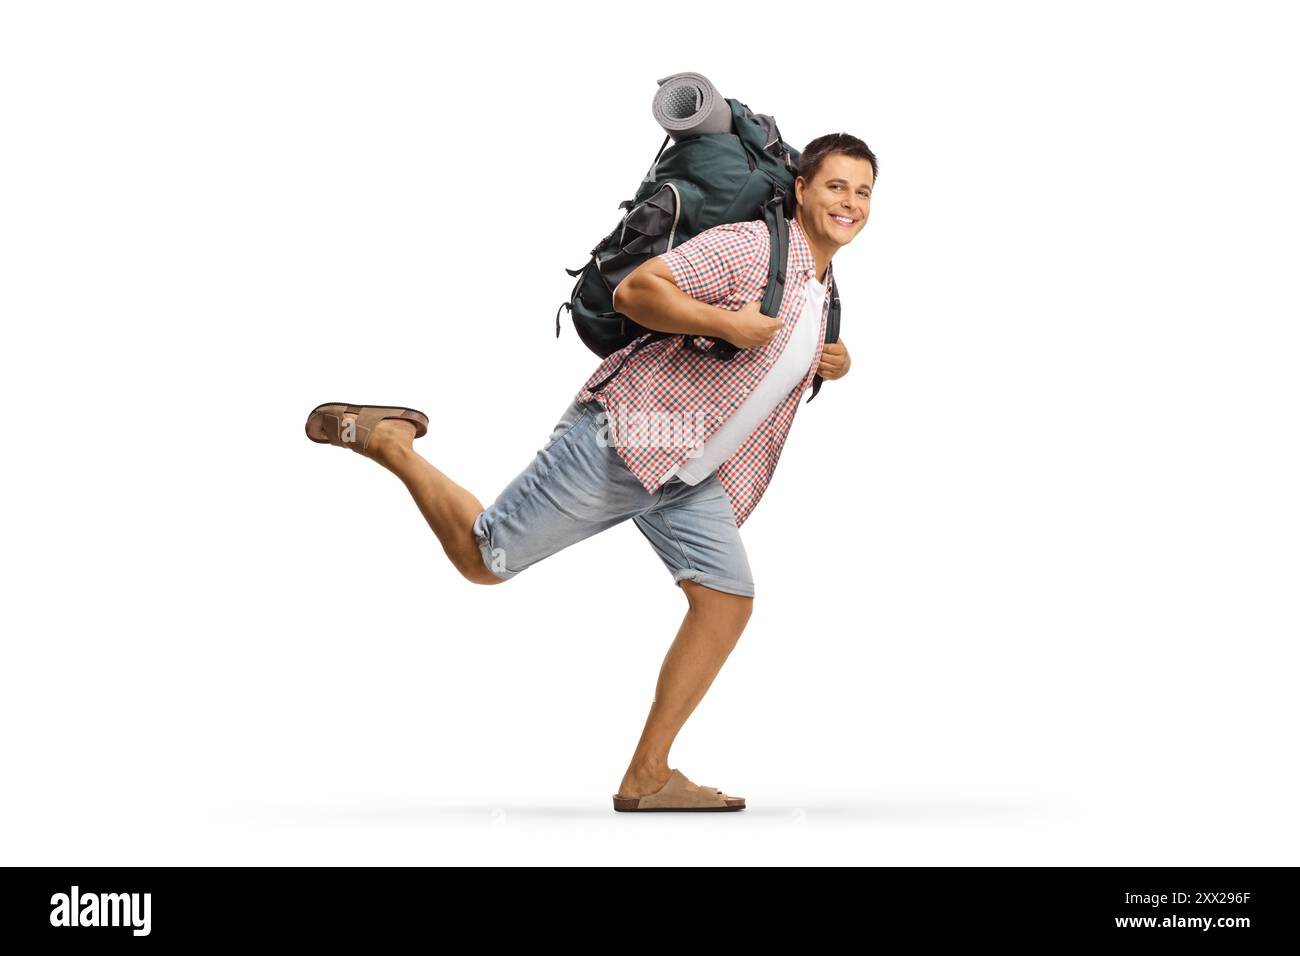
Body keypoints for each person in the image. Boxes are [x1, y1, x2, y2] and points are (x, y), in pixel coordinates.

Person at [304, 133, 877, 811]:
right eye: (836, 186)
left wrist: (829, 361)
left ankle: (648, 775)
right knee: (484, 557)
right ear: (803, 190)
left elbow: (763, 366)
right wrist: (726, 324)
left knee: (726, 601)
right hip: (628, 438)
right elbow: (639, 291)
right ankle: (389, 440)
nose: (851, 202)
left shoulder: (820, 284)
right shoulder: (754, 246)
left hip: (686, 474)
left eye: (864, 191)